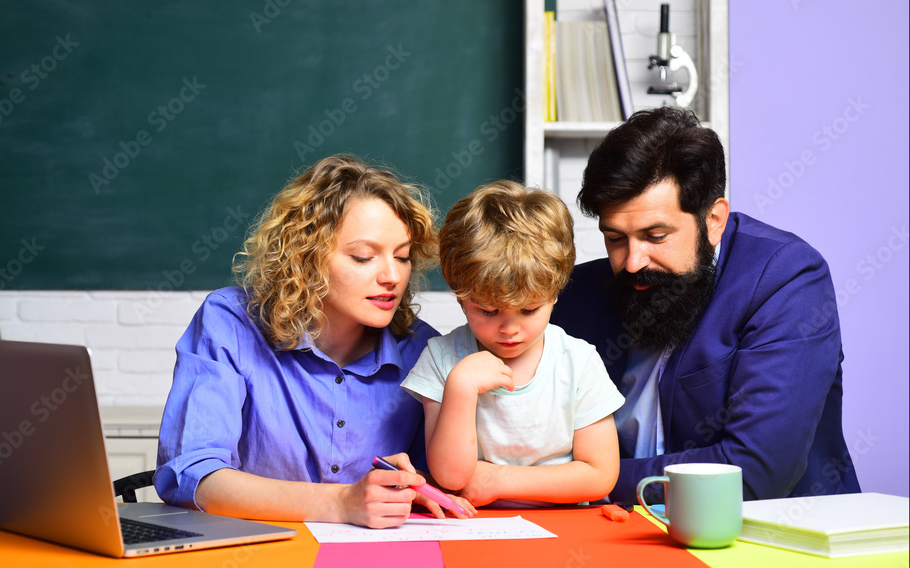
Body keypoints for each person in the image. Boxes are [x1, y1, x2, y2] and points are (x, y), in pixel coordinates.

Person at [551, 106, 860, 503]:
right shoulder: (578, 290)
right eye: (615, 238)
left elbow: (754, 473)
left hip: (770, 542)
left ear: (714, 219)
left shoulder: (787, 279)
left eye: (656, 236)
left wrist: (582, 480)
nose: (632, 262)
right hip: (609, 535)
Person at [155, 155, 475, 528]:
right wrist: (341, 502)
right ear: (306, 258)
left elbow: (444, 479)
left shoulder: (423, 350)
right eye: (363, 257)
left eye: (402, 257)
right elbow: (193, 476)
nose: (391, 276)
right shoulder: (230, 323)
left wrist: (416, 487)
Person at [401, 181, 624, 507]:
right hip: (475, 530)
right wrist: (460, 387)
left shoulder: (577, 361)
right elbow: (450, 477)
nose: (509, 329)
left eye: (529, 309)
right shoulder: (442, 358)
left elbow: (600, 474)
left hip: (567, 531)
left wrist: (499, 480)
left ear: (555, 292)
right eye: (488, 311)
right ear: (461, 298)